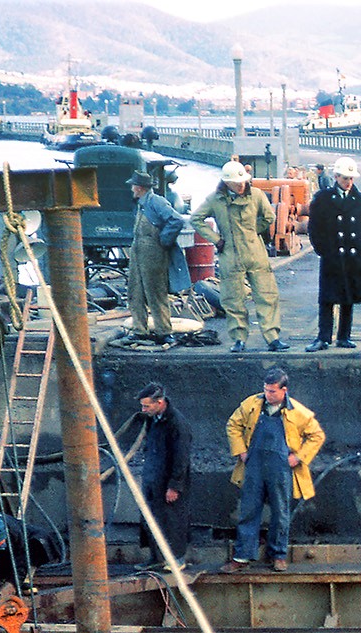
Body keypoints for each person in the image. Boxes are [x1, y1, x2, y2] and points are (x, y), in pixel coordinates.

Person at [222, 368, 325, 573]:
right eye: (266, 390)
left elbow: (317, 435)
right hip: (254, 467)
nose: (268, 395)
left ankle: (278, 555)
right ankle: (242, 556)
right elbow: (233, 424)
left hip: (281, 470)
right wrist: (241, 451)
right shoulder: (251, 404)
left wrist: (298, 457)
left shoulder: (298, 412)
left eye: (272, 391)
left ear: (284, 390)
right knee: (249, 511)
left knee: (281, 512)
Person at [190, 161, 289, 354]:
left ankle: (273, 338)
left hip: (255, 254)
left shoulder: (257, 196)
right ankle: (239, 339)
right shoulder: (215, 200)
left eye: (242, 181)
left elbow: (269, 217)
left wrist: (252, 233)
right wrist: (216, 239)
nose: (241, 185)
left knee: (267, 295)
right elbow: (196, 219)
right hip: (230, 255)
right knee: (233, 300)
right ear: (226, 182)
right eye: (236, 182)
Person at [305, 157, 361, 352]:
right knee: (327, 298)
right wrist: (322, 249)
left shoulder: (359, 199)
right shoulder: (323, 198)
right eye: (345, 178)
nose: (349, 182)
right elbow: (314, 227)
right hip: (333, 255)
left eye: (351, 178)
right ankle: (323, 337)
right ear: (335, 177)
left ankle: (344, 336)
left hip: (353, 256)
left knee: (348, 297)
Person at [125, 170, 189, 343]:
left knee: (155, 292)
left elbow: (176, 220)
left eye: (133, 185)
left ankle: (164, 331)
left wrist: (164, 240)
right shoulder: (142, 203)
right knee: (135, 292)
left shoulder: (156, 201)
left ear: (139, 188)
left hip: (153, 251)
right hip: (138, 251)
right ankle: (139, 330)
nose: (131, 188)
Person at [136, 383, 193, 565]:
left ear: (159, 403)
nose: (143, 410)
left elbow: (181, 457)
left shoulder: (177, 423)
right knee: (152, 519)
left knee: (171, 522)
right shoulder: (153, 419)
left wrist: (175, 486)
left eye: (147, 406)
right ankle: (157, 558)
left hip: (167, 482)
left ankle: (176, 560)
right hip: (153, 479)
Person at [0, 512, 61, 596]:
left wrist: (9, 588)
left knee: (38, 544)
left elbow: (21, 563)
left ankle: (24, 581)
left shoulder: (16, 534)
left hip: (26, 543)